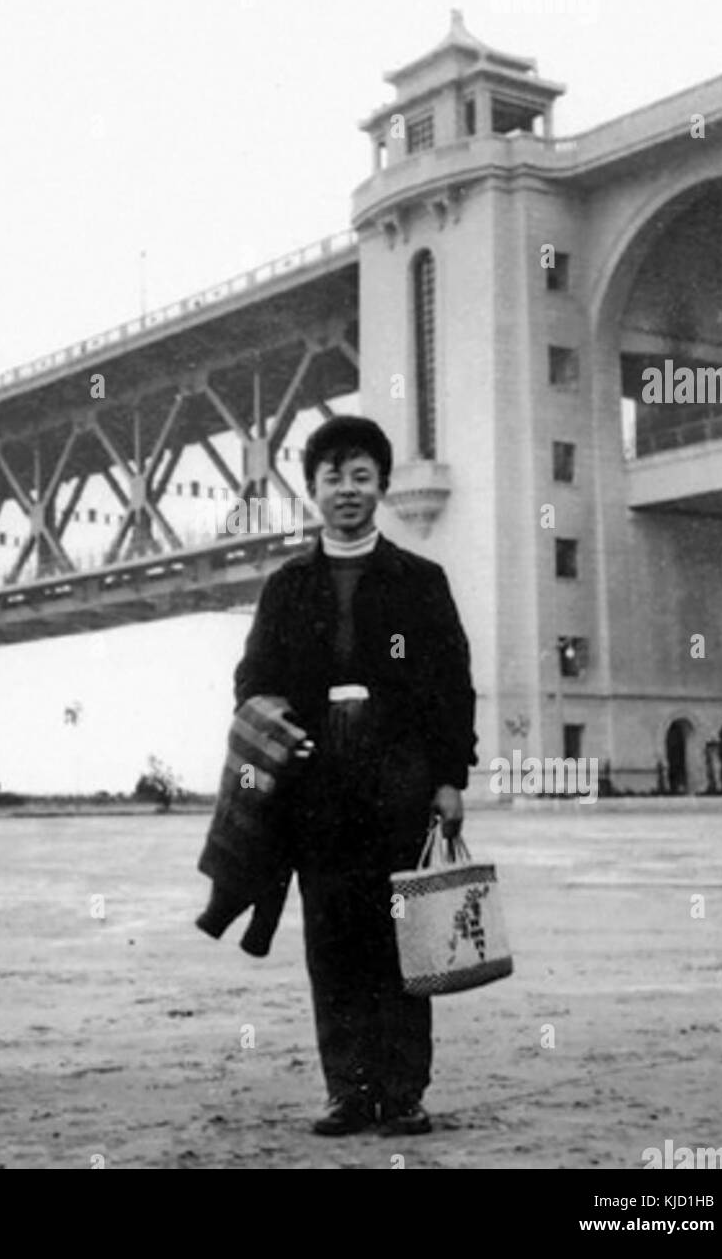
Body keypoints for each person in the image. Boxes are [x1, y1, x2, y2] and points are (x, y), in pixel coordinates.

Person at [233, 414, 477, 1136]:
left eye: (361, 476)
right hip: (316, 790)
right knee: (331, 940)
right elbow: (251, 680)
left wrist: (449, 777)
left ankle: (401, 1094)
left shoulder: (420, 582)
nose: (347, 489)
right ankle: (348, 1090)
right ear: (312, 489)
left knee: (405, 936)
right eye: (332, 477)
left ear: (381, 485)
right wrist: (280, 732)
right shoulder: (286, 587)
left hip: (397, 782)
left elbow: (450, 687)